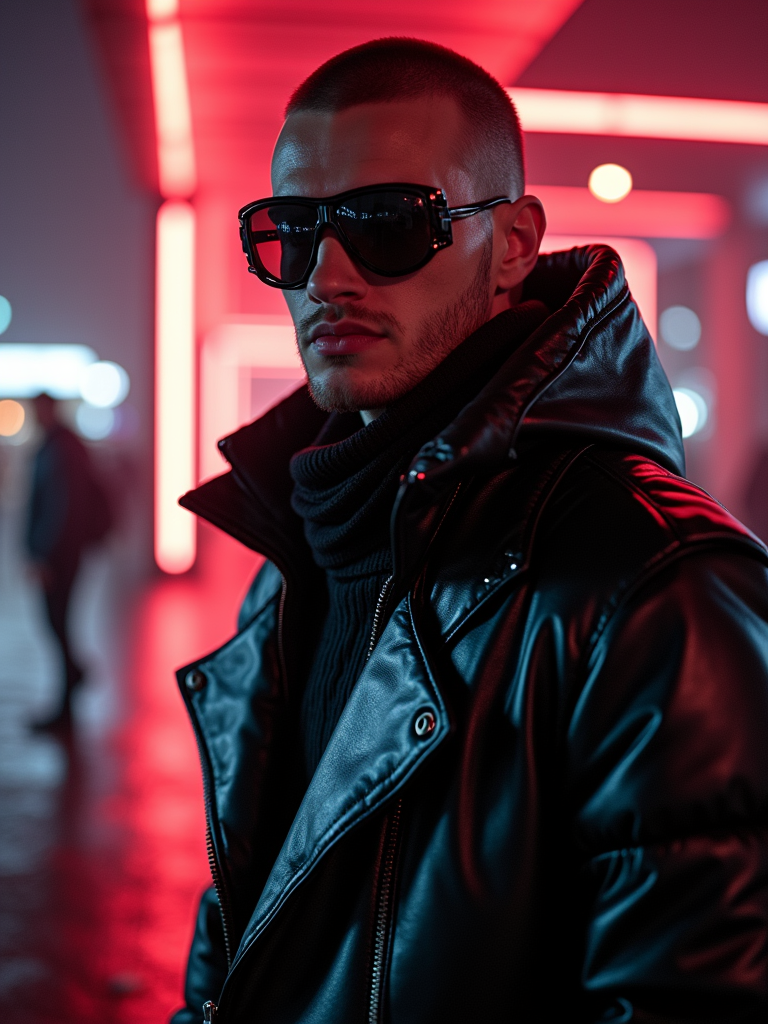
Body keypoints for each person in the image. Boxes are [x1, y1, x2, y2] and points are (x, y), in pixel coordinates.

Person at [172, 39, 768, 1024]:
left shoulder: (652, 585)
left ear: (517, 244)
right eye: (289, 230)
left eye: (387, 225)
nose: (325, 274)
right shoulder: (293, 565)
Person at [25, 392, 112, 730]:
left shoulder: (61, 447)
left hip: (61, 555)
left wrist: (46, 555)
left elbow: (61, 507)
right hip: (62, 552)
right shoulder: (57, 444)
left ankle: (67, 699)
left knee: (58, 623)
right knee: (57, 624)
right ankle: (72, 680)